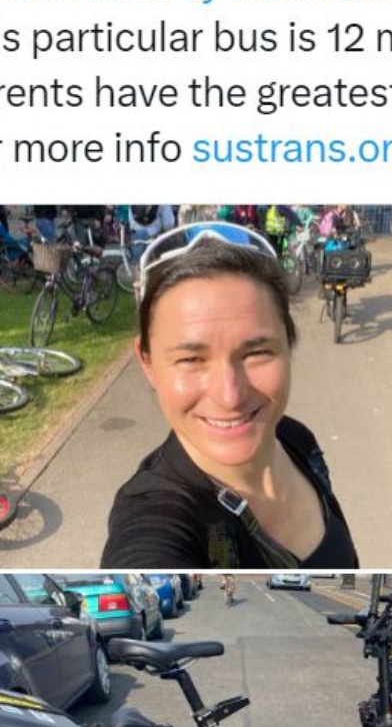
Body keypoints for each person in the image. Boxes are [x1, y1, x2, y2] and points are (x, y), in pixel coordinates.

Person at [101, 224, 359, 570]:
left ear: (288, 345)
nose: (230, 395)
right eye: (191, 359)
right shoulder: (156, 514)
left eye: (256, 353)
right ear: (147, 362)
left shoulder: (295, 439)